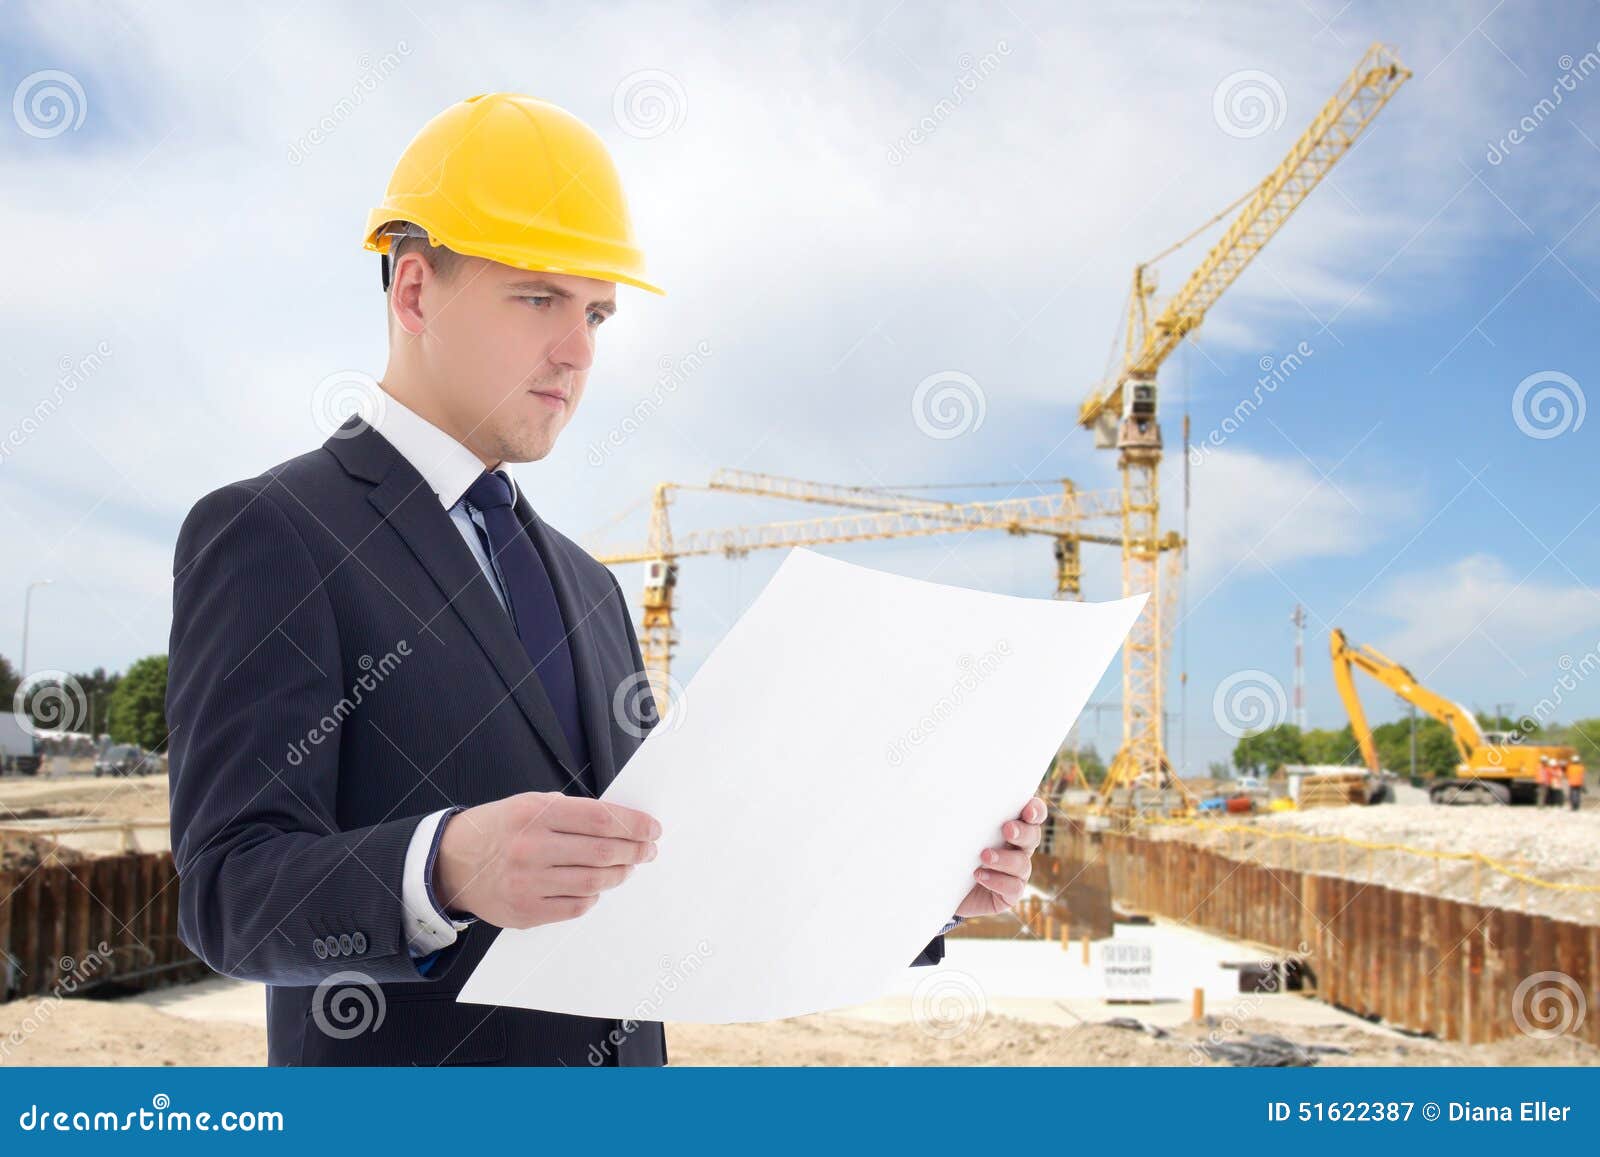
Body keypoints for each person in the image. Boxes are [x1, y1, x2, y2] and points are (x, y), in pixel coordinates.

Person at [165, 93, 1044, 1067]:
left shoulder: (589, 588)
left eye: (595, 312)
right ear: (414, 293)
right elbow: (226, 895)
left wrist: (917, 885)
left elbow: (665, 880)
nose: (578, 351)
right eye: (538, 297)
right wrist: (445, 864)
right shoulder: (272, 532)